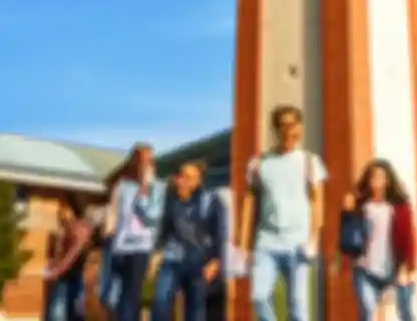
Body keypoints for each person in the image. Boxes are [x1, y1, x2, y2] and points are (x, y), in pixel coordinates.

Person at [236, 104, 328, 321]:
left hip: (298, 242)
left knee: (298, 307)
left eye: (293, 125)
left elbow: (318, 203)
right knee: (258, 297)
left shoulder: (309, 161)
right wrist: (242, 243)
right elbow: (249, 202)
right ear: (275, 129)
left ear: (300, 128)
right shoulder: (259, 163)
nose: (288, 130)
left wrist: (314, 238)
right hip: (267, 241)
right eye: (283, 125)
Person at [340, 159, 416, 321]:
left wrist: (407, 267)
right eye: (372, 177)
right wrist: (347, 212)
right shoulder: (360, 206)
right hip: (364, 269)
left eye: (380, 177)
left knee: (405, 313)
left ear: (388, 181)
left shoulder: (400, 208)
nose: (376, 181)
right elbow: (346, 238)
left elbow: (408, 238)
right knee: (367, 312)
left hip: (393, 270)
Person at [150, 161, 225, 321]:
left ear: (198, 181)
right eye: (181, 176)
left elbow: (219, 233)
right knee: (161, 302)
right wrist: (157, 252)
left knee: (195, 310)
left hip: (198, 261)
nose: (183, 180)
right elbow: (165, 229)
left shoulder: (210, 200)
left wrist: (215, 261)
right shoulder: (171, 200)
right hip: (172, 258)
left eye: (189, 177)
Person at [100, 144, 166, 321]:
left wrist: (145, 189)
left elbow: (153, 217)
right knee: (111, 297)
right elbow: (112, 214)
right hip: (119, 246)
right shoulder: (122, 186)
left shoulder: (158, 188)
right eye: (142, 161)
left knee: (132, 294)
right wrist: (108, 236)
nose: (146, 165)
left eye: (150, 161)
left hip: (141, 247)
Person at [45, 194, 93, 321]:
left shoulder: (81, 229)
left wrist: (57, 270)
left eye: (64, 207)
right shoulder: (65, 229)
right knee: (62, 310)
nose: (60, 212)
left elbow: (73, 254)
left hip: (75, 274)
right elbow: (55, 254)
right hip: (66, 274)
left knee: (67, 311)